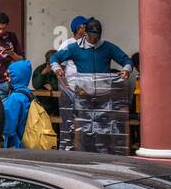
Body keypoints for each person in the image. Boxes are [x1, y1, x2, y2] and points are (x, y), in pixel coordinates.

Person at [50, 18, 133, 151]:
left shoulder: (107, 47)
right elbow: (54, 58)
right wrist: (57, 68)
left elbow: (126, 60)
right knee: (84, 127)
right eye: (92, 37)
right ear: (85, 34)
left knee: (103, 128)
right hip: (83, 95)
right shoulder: (74, 48)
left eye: (97, 37)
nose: (95, 40)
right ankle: (84, 154)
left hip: (104, 95)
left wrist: (126, 70)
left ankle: (103, 155)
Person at [1, 59, 34, 149]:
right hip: (28, 139)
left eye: (9, 75)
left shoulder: (15, 97)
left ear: (17, 77)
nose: (6, 77)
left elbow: (9, 127)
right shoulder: (29, 93)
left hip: (16, 143)